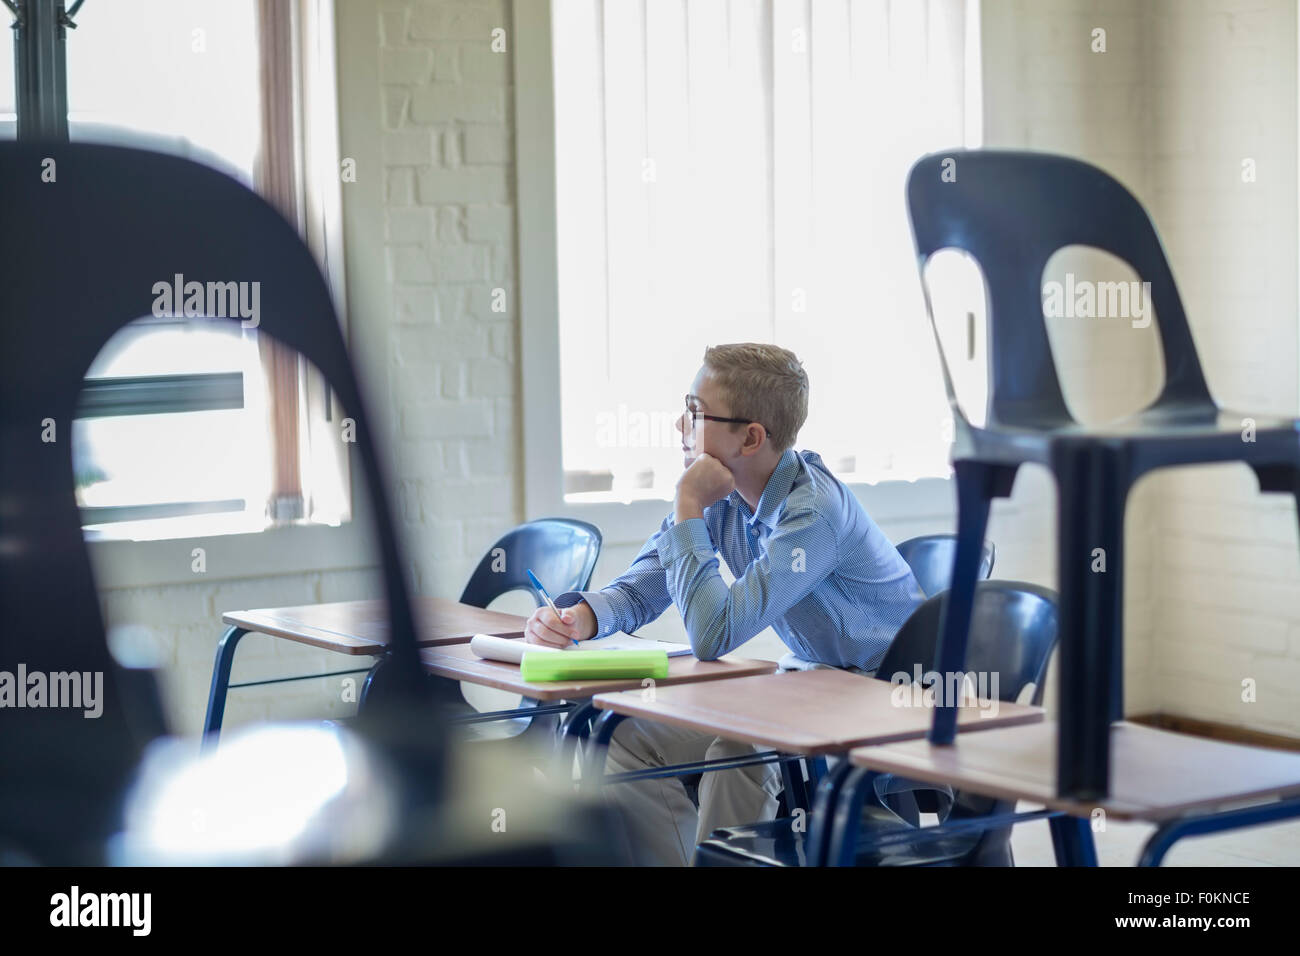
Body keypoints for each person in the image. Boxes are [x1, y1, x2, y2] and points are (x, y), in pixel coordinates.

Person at [526, 342, 925, 865]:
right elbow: (652, 578)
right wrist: (584, 616)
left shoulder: (813, 511)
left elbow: (713, 636)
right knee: (628, 736)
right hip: (809, 690)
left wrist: (687, 503)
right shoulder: (729, 497)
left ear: (751, 436)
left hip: (885, 703)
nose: (679, 426)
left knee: (739, 750)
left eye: (694, 412)